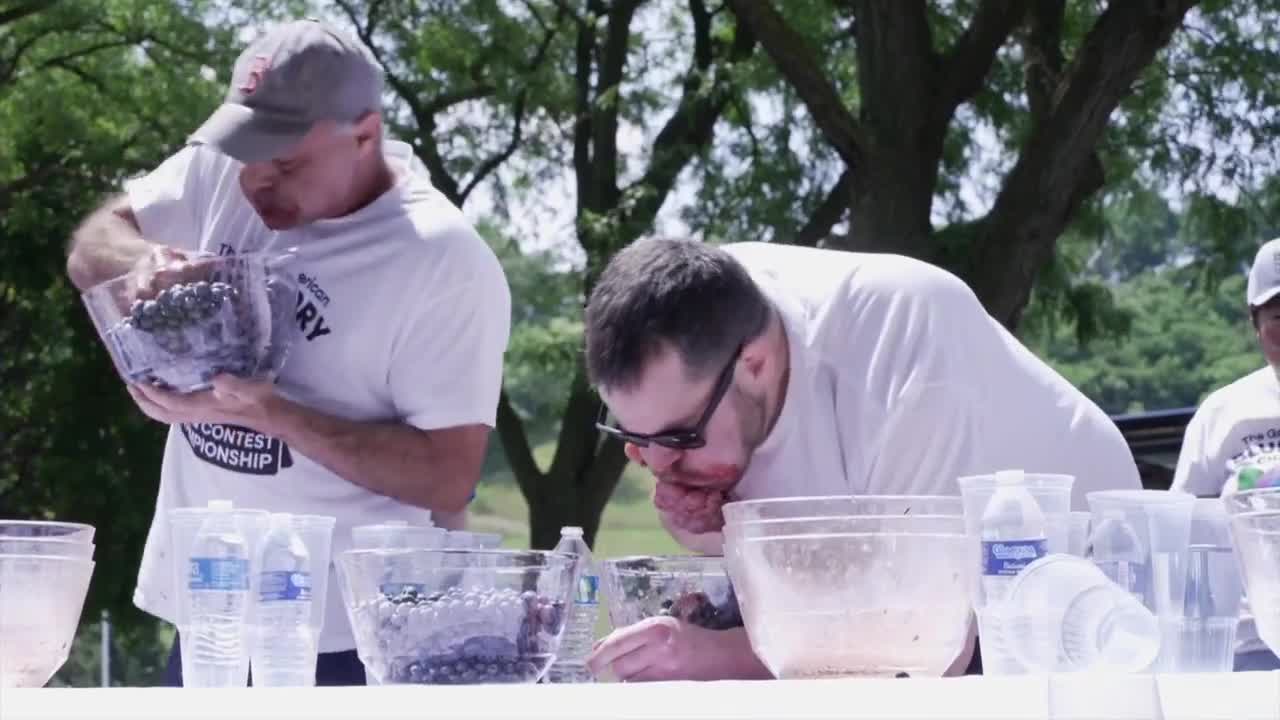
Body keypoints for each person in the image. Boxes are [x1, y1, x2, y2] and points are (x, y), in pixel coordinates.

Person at [64, 19, 511, 686]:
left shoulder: (443, 260)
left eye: (286, 163)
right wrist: (144, 262)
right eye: (244, 154)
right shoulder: (223, 170)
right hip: (209, 610)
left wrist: (276, 416)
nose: (252, 183)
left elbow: (448, 475)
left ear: (364, 135)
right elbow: (92, 244)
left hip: (354, 640)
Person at [581, 238, 1141, 681]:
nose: (658, 466)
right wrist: (709, 529)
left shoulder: (905, 355)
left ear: (754, 364)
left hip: (1075, 592)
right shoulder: (702, 316)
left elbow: (924, 647)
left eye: (680, 438)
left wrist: (710, 657)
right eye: (633, 440)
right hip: (882, 607)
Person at [1171, 236, 1280, 672]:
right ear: (1255, 323)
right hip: (1247, 646)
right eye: (1278, 315)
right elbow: (1182, 528)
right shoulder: (1223, 412)